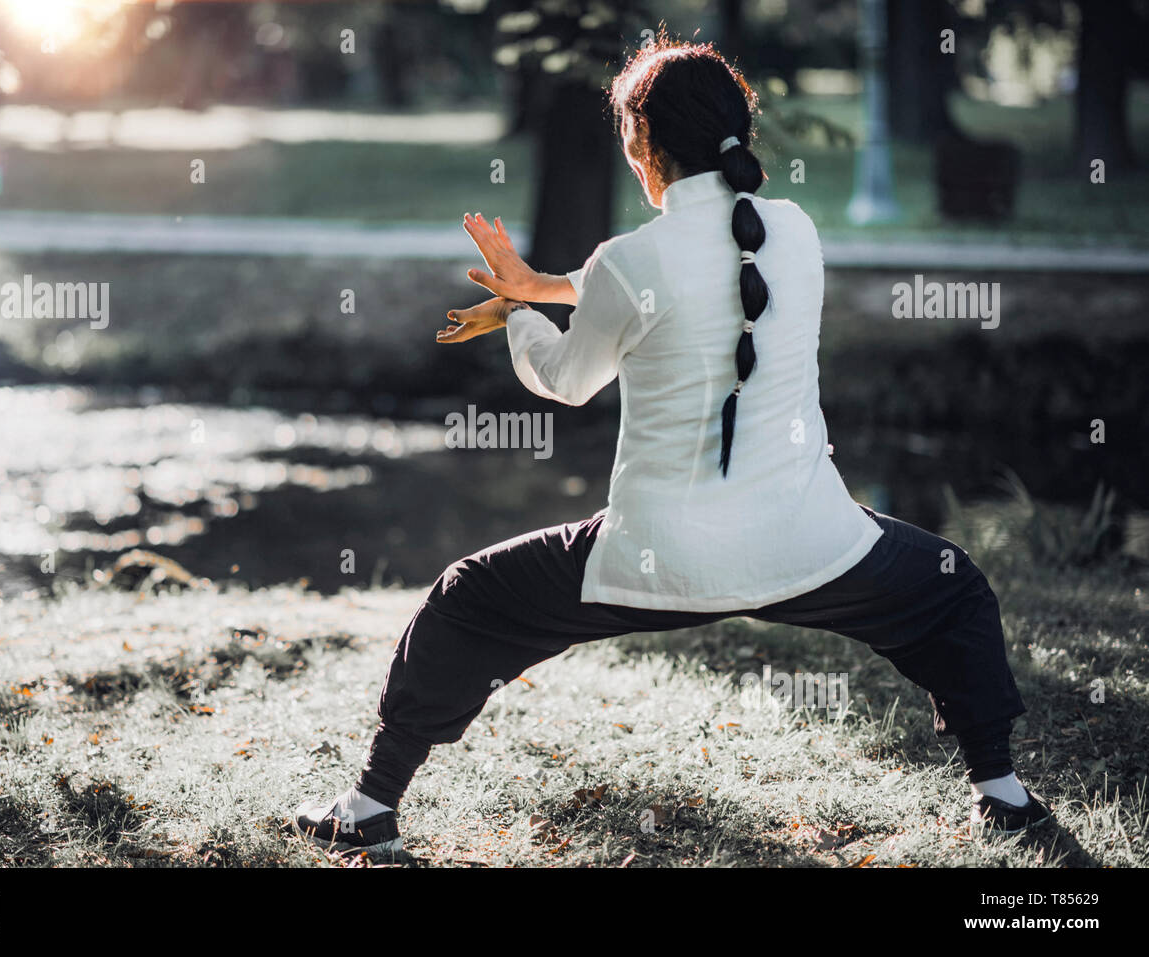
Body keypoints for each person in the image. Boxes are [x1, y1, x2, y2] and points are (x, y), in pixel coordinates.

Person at [294, 39, 1050, 857]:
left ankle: (368, 807)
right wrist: (541, 286)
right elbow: (681, 282)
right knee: (954, 590)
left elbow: (566, 377)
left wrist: (517, 314)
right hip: (810, 545)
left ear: (644, 142)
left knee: (464, 598)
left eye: (628, 137)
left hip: (655, 562)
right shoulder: (794, 233)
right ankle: (1002, 795)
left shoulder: (630, 261)